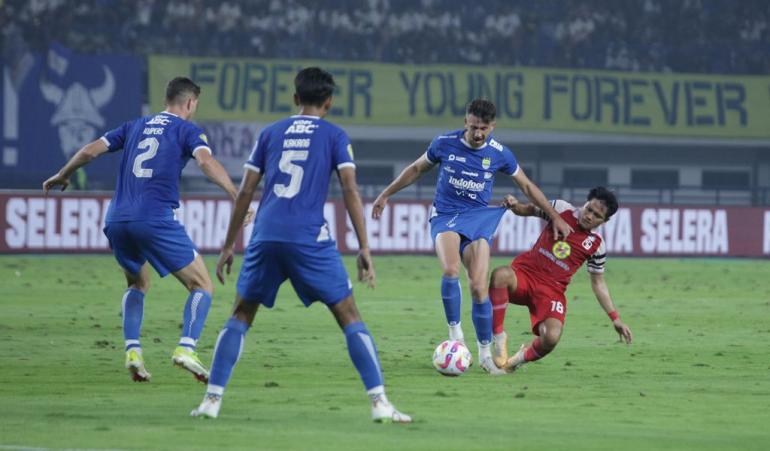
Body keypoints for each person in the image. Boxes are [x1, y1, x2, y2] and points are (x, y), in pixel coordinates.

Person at [190, 67, 411, 423]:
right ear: (330, 102)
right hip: (308, 238)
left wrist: (229, 244)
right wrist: (364, 247)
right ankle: (380, 403)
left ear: (295, 98)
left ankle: (211, 401)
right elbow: (350, 189)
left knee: (241, 314)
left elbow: (245, 191)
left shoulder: (270, 133)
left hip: (265, 235)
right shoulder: (335, 135)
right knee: (349, 315)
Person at [43, 77, 251, 383]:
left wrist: (63, 174)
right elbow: (206, 162)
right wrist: (236, 195)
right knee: (202, 285)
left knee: (138, 283)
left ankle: (133, 352)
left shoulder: (133, 126)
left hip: (116, 219)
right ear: (190, 102)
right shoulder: (187, 130)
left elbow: (89, 151)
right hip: (154, 219)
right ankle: (186, 348)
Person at [371, 99, 572, 375]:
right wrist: (386, 194)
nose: (478, 133)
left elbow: (526, 185)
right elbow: (416, 169)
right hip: (446, 215)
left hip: (478, 218)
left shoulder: (499, 153)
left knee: (479, 287)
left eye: (484, 128)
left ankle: (486, 355)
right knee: (451, 269)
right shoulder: (444, 143)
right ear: (465, 121)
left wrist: (554, 216)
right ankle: (455, 335)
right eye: (474, 127)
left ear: (493, 126)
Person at [489, 187, 633, 372]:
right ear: (585, 203)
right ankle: (499, 337)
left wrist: (615, 318)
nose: (589, 216)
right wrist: (515, 205)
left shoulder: (597, 245)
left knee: (551, 337)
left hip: (551, 291)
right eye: (589, 209)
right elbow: (528, 209)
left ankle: (515, 361)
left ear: (605, 221)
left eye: (597, 215)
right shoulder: (561, 208)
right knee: (500, 275)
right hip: (525, 275)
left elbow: (598, 283)